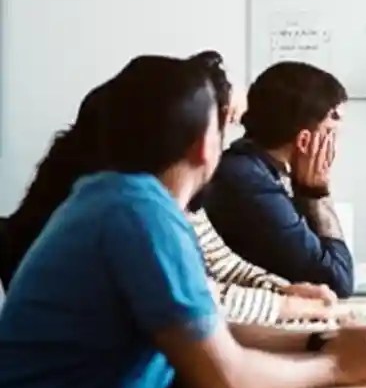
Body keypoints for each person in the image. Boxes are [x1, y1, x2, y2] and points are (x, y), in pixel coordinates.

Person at [0, 55, 366, 388]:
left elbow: (203, 328)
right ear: (204, 146)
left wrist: (321, 342)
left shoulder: (122, 198)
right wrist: (338, 365)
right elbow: (227, 380)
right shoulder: (139, 215)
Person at [0, 51, 336, 324]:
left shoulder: (161, 192)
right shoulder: (130, 205)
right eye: (223, 123)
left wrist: (286, 292)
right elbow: (199, 298)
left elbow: (220, 267)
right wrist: (290, 307)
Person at [203, 61, 355, 297]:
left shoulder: (253, 168)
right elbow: (337, 280)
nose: (335, 145)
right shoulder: (249, 183)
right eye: (331, 132)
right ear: (305, 141)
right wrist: (316, 194)